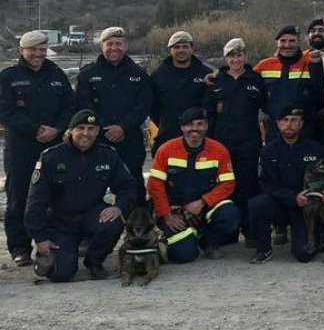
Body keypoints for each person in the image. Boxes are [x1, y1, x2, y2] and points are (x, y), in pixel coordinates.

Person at [24, 110, 138, 282]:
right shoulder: (51, 157)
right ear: (71, 130)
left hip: (91, 214)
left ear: (98, 131)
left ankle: (94, 262)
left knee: (112, 222)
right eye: (81, 128)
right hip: (60, 222)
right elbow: (35, 201)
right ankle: (54, 256)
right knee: (61, 274)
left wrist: (119, 206)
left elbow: (127, 186)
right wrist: (40, 238)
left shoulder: (108, 155)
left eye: (91, 128)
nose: (86, 133)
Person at [0, 31, 74, 266]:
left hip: (54, 143)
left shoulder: (56, 74)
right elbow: (5, 110)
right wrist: (35, 129)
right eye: (33, 49)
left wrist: (58, 129)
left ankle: (51, 241)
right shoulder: (8, 77)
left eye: (42, 49)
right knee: (18, 195)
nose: (38, 54)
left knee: (55, 195)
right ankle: (20, 247)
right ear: (22, 50)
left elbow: (69, 105)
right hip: (21, 146)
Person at [146, 107, 240, 263]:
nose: (195, 129)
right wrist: (167, 215)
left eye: (200, 124)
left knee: (229, 213)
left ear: (206, 126)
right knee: (184, 256)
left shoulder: (219, 150)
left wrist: (203, 201)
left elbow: (228, 184)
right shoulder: (166, 150)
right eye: (189, 125)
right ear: (182, 127)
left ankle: (208, 242)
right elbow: (155, 186)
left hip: (204, 208)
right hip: (174, 211)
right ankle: (183, 240)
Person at [74, 27, 152, 205]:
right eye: (109, 44)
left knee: (133, 182)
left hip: (130, 136)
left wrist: (122, 127)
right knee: (91, 183)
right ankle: (95, 223)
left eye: (119, 43)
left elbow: (143, 106)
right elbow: (83, 105)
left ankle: (136, 225)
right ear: (102, 46)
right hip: (97, 138)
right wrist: (104, 127)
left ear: (126, 46)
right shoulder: (88, 74)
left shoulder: (139, 74)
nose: (114, 48)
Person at [249, 106, 324, 264]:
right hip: (280, 204)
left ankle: (315, 236)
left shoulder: (316, 149)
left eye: (294, 120)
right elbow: (266, 185)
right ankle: (263, 249)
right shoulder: (268, 152)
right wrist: (292, 197)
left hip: (307, 208)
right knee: (257, 204)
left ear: (301, 124)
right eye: (285, 120)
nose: (289, 124)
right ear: (278, 124)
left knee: (304, 255)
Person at [205, 38, 269, 246]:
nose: (236, 59)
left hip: (249, 144)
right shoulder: (216, 82)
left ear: (245, 56)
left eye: (239, 55)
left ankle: (250, 231)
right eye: (232, 55)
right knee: (225, 188)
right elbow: (209, 116)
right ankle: (228, 233)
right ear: (226, 58)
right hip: (222, 145)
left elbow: (268, 109)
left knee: (249, 187)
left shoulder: (256, 80)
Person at [149, 30, 212, 153]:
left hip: (198, 136)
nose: (181, 50)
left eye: (185, 46)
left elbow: (210, 106)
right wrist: (166, 123)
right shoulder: (158, 75)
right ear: (171, 50)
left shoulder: (205, 73)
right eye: (176, 47)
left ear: (192, 48)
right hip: (168, 134)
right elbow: (152, 107)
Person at [255, 25, 314, 124]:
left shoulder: (310, 63)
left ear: (298, 42)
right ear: (277, 43)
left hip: (305, 128)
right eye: (283, 41)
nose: (287, 45)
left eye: (292, 41)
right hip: (274, 128)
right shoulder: (264, 66)